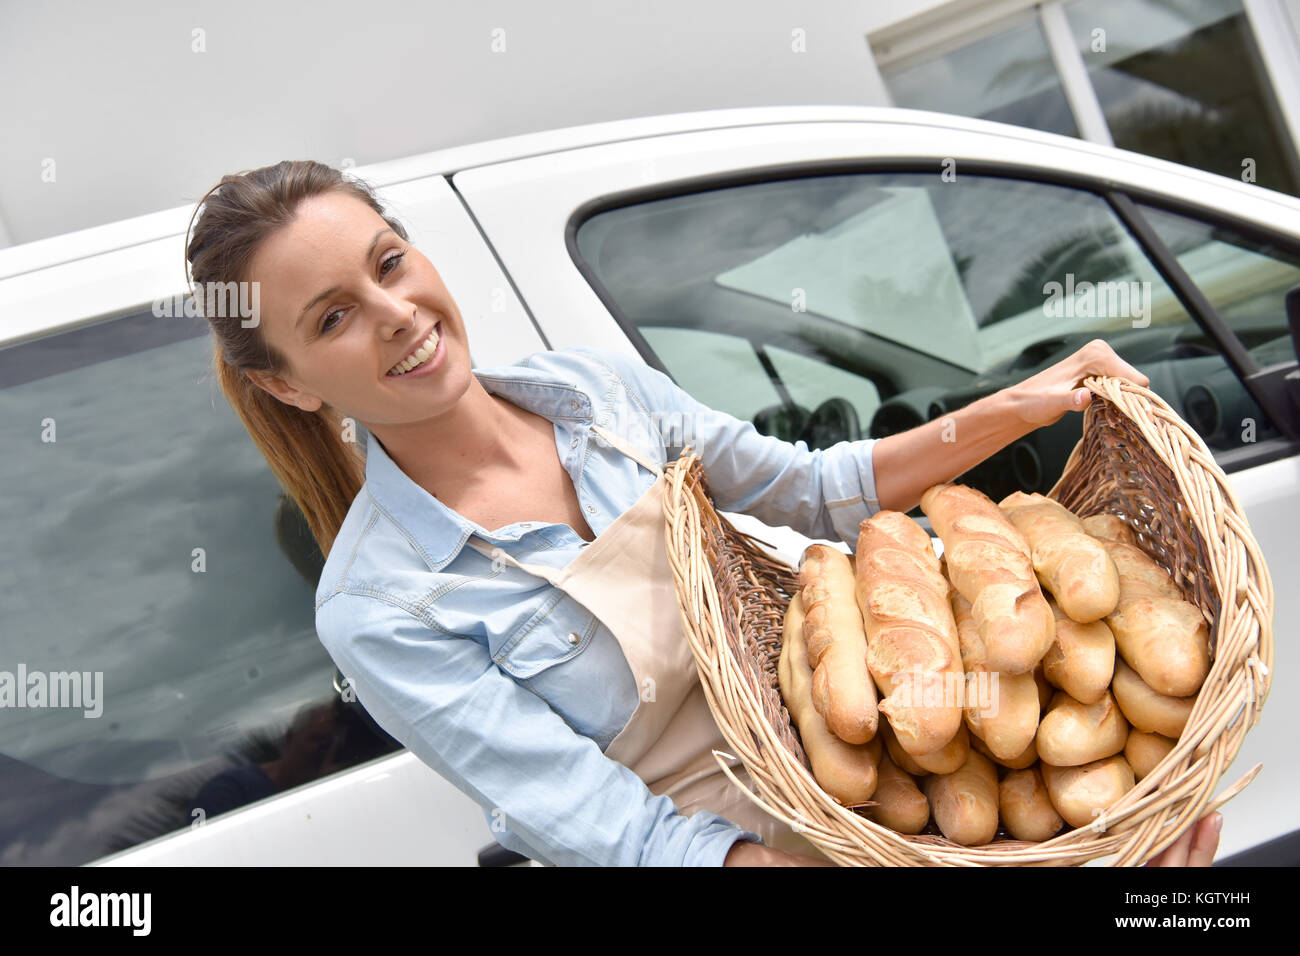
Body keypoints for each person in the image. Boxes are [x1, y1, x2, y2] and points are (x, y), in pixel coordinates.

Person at [185, 159, 1221, 867]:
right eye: (332, 318)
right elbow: (609, 828)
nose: (397, 313)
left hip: (864, 786)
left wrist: (1027, 398)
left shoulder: (596, 396)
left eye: (389, 262)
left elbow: (816, 488)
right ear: (290, 385)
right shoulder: (383, 603)